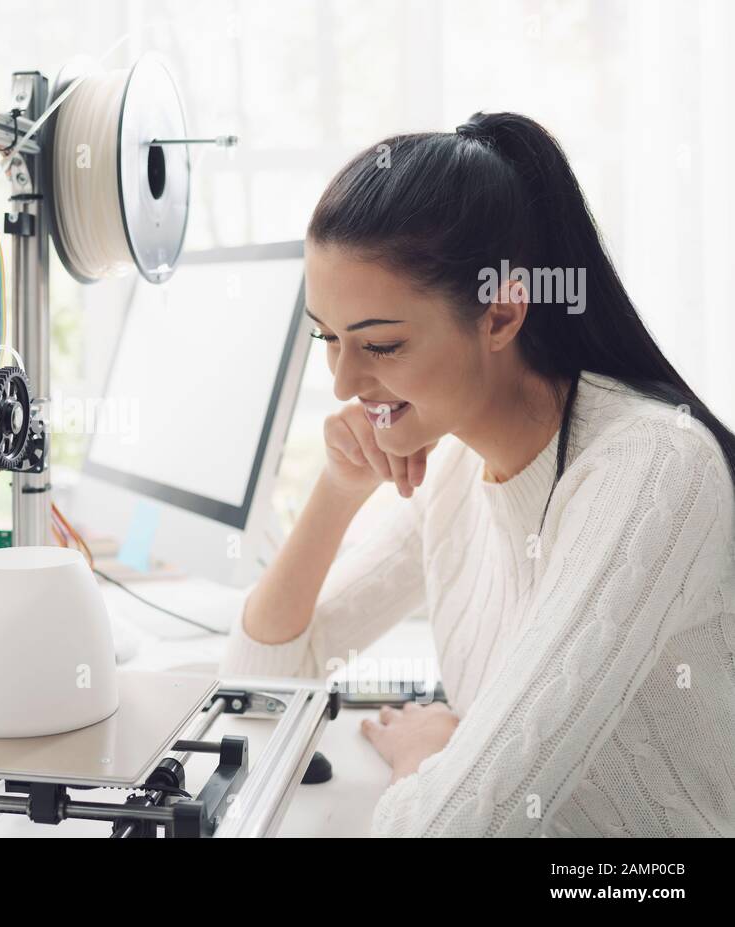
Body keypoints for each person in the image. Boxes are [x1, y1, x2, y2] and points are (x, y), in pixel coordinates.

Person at [220, 112, 735, 837]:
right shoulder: (458, 463)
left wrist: (429, 757)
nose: (343, 382)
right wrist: (337, 492)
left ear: (500, 315)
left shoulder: (651, 469)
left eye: (382, 344)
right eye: (327, 338)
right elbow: (257, 686)